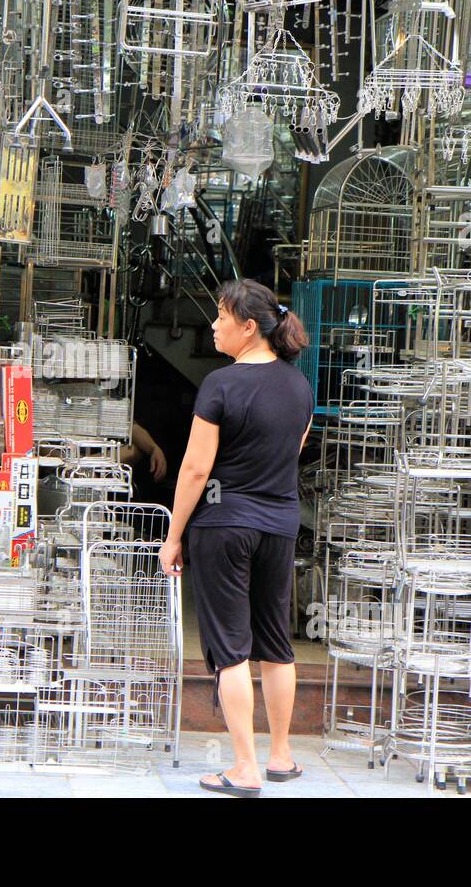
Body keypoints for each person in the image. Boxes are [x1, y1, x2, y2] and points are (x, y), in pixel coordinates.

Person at [158, 278, 313, 798]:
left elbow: (196, 469)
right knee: (276, 645)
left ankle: (244, 768)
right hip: (279, 522)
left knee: (230, 648)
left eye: (222, 317)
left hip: (225, 524)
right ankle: (281, 756)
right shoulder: (298, 386)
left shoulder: (221, 385)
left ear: (248, 327)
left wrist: (173, 535)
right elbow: (289, 454)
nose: (214, 325)